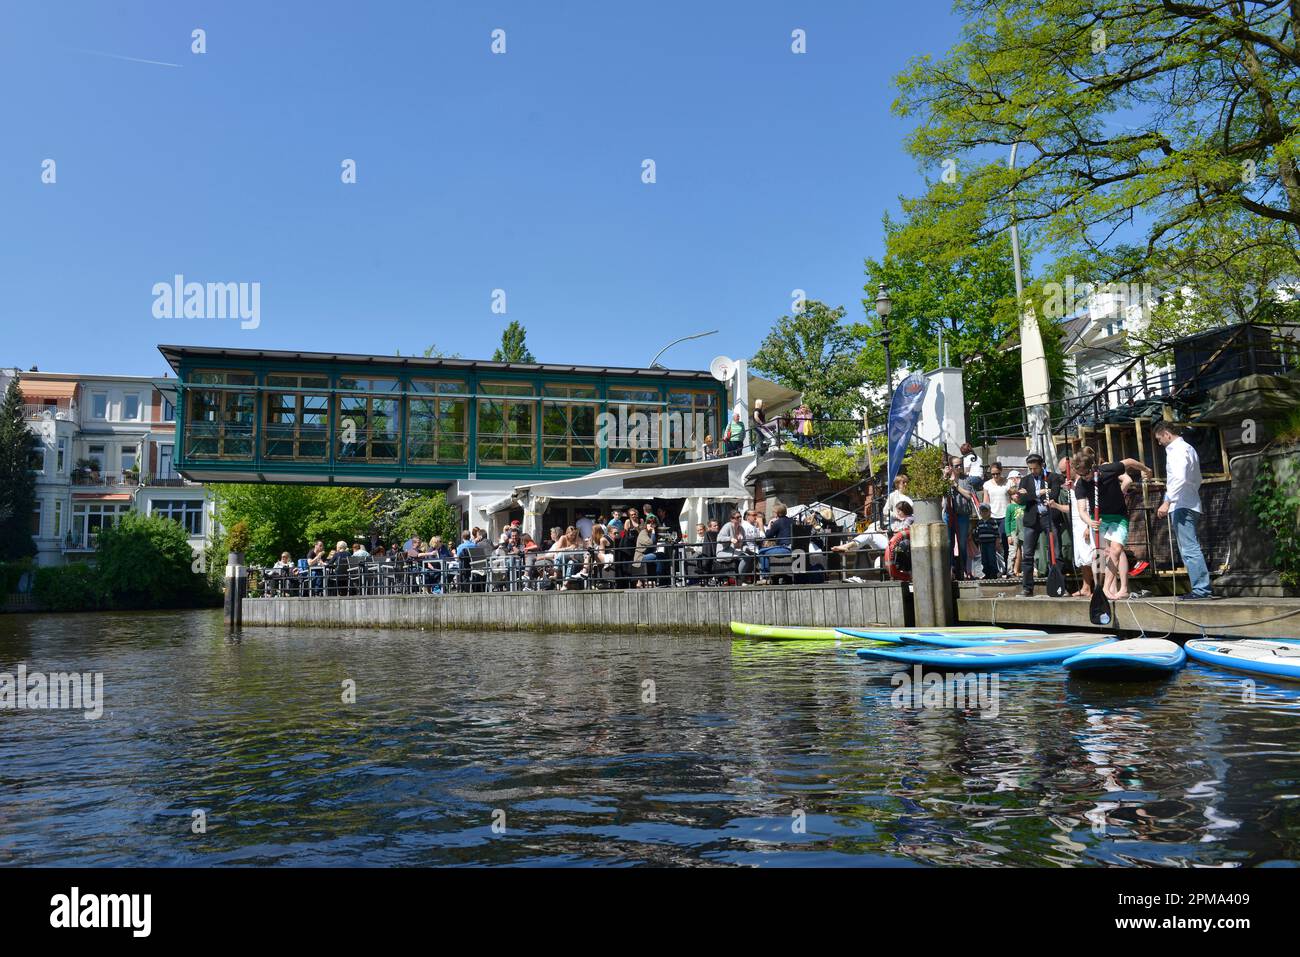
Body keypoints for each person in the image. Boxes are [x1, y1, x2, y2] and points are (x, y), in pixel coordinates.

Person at [1153, 421, 1214, 600]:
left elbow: (1179, 478)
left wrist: (1167, 501)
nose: (1159, 443)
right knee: (1189, 547)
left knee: (1189, 548)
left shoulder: (1177, 451)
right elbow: (1197, 478)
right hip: (1190, 501)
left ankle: (1201, 589)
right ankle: (1200, 588)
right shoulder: (1189, 448)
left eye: (1159, 439)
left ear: (1166, 434)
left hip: (1181, 504)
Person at [1090, 450, 1153, 600]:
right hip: (1102, 515)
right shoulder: (1089, 475)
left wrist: (1118, 494)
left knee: (1116, 550)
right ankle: (1109, 588)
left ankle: (1122, 587)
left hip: (1114, 514)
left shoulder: (1106, 467)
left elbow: (1128, 480)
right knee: (1104, 552)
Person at [1015, 454, 1062, 596]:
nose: (1033, 471)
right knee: (1027, 554)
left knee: (1055, 551)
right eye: (1030, 469)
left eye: (1035, 468)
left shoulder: (1052, 477)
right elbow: (1021, 499)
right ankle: (1027, 587)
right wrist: (1038, 492)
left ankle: (1057, 584)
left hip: (1048, 516)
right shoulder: (1025, 480)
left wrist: (1030, 494)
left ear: (1042, 466)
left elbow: (1053, 494)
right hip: (1032, 520)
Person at [943, 456, 980, 580]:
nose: (959, 467)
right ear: (951, 467)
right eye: (956, 466)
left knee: (962, 544)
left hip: (962, 514)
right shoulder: (946, 479)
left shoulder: (966, 479)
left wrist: (955, 485)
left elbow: (969, 495)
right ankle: (951, 570)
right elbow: (940, 492)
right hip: (949, 514)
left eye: (960, 465)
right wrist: (945, 477)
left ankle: (964, 570)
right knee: (949, 543)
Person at [981, 463, 1011, 564]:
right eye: (992, 474)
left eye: (997, 473)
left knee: (1004, 541)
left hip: (1005, 515)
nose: (995, 476)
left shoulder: (1008, 483)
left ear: (1001, 471)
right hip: (992, 516)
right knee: (991, 543)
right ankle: (994, 567)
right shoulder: (987, 484)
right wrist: (985, 516)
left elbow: (1013, 498)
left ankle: (1007, 566)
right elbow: (986, 501)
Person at [758, 503, 793, 578]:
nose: (773, 513)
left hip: (785, 548)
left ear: (778, 513)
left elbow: (768, 536)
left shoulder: (777, 522)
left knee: (761, 552)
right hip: (793, 547)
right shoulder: (792, 521)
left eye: (774, 512)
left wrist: (769, 526)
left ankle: (765, 576)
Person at [974, 505, 1001, 580]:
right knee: (984, 559)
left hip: (991, 543)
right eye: (982, 511)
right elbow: (977, 532)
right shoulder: (979, 522)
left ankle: (994, 573)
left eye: (986, 511)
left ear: (989, 512)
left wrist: (997, 542)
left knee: (991, 558)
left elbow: (997, 533)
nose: (984, 513)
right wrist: (977, 541)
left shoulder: (992, 521)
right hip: (983, 544)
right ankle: (987, 573)